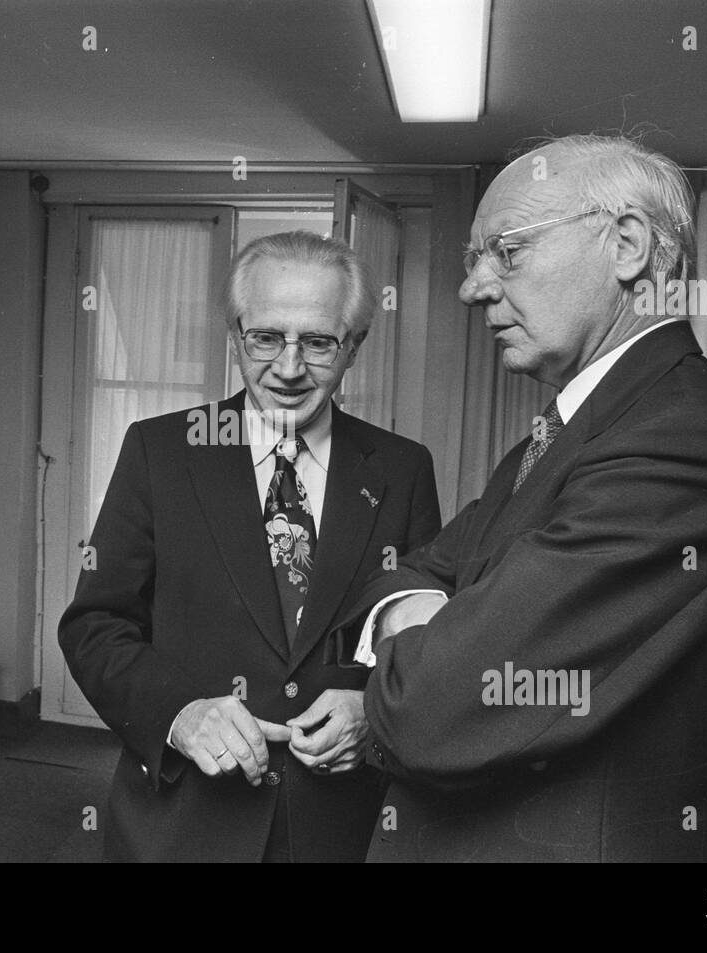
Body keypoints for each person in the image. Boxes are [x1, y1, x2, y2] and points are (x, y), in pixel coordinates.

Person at [345, 135, 707, 862]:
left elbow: (436, 705)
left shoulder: (687, 443)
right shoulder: (569, 430)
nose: (474, 287)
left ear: (627, 246)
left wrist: (442, 629)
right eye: (473, 260)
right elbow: (416, 567)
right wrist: (414, 611)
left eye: (508, 252)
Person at [59, 231, 441, 861]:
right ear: (236, 336)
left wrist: (373, 712)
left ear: (355, 347)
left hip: (341, 829)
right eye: (266, 338)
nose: (289, 369)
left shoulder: (402, 469)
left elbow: (422, 645)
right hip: (181, 826)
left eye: (318, 342)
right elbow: (94, 626)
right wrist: (178, 715)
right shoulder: (161, 451)